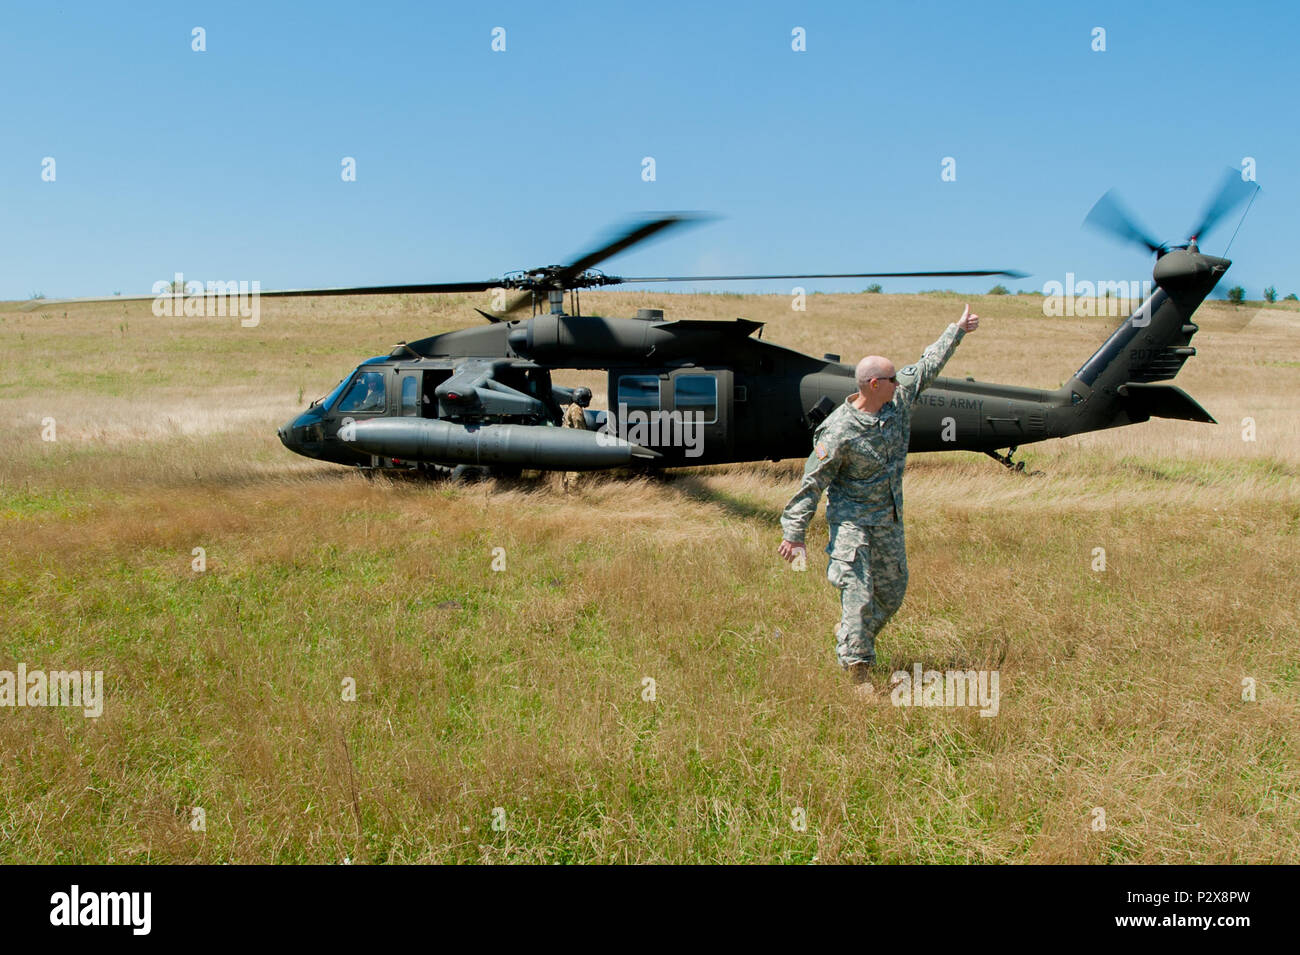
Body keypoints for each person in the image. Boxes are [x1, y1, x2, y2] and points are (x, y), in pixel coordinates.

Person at [777, 305, 981, 687]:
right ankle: (859, 675)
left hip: (888, 521)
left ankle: (851, 635)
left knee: (891, 593)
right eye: (891, 378)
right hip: (852, 525)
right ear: (874, 384)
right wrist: (794, 533)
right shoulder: (838, 431)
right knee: (858, 596)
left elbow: (926, 366)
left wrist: (957, 330)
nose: (898, 383)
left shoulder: (897, 402)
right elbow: (812, 483)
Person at [560, 387, 592, 492]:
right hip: (573, 444)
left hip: (567, 443)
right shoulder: (576, 409)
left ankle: (565, 491)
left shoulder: (572, 407)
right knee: (574, 471)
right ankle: (573, 494)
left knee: (567, 471)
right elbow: (580, 429)